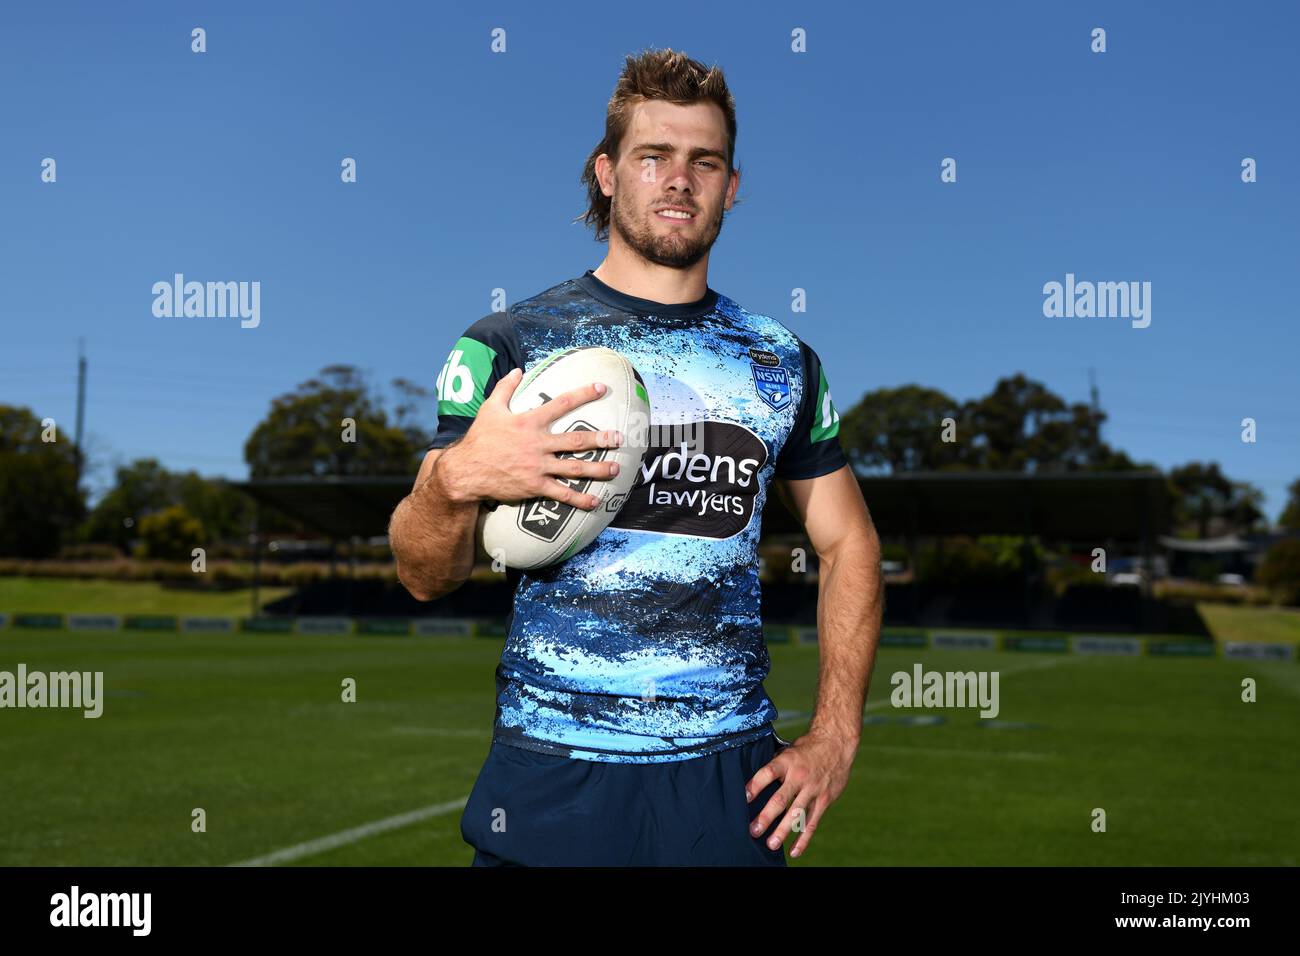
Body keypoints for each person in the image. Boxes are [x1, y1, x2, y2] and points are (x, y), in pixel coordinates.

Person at [389, 48, 882, 866]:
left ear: (730, 185)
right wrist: (454, 482)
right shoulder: (512, 345)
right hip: (551, 768)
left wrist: (836, 734)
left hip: (728, 782)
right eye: (653, 156)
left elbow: (849, 541)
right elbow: (422, 575)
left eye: (705, 161)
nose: (679, 180)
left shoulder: (782, 362)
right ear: (607, 173)